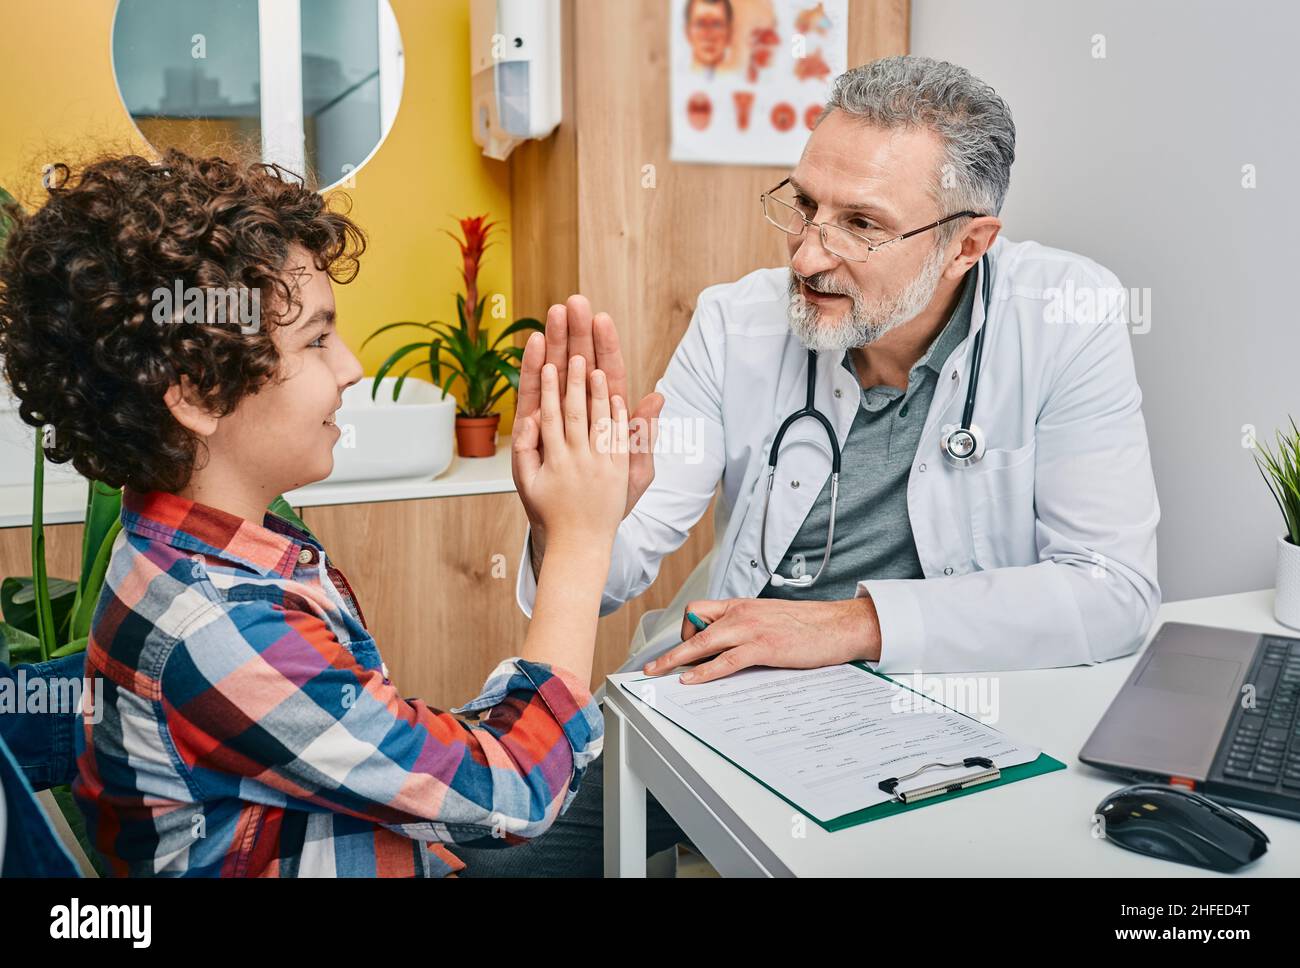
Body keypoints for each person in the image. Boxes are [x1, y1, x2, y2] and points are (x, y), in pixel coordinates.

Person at [474, 55, 1161, 876]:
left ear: (966, 244)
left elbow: (1113, 590)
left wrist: (848, 627)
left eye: (862, 225)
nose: (806, 257)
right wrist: (572, 519)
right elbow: (618, 564)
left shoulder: (1064, 317)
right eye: (804, 207)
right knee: (501, 859)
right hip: (735, 691)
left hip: (961, 702)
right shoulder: (739, 326)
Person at [0, 148, 629, 877]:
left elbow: (382, 737)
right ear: (199, 395)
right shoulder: (222, 625)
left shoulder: (196, 554)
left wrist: (567, 524)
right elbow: (517, 792)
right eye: (318, 338)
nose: (352, 365)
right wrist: (584, 541)